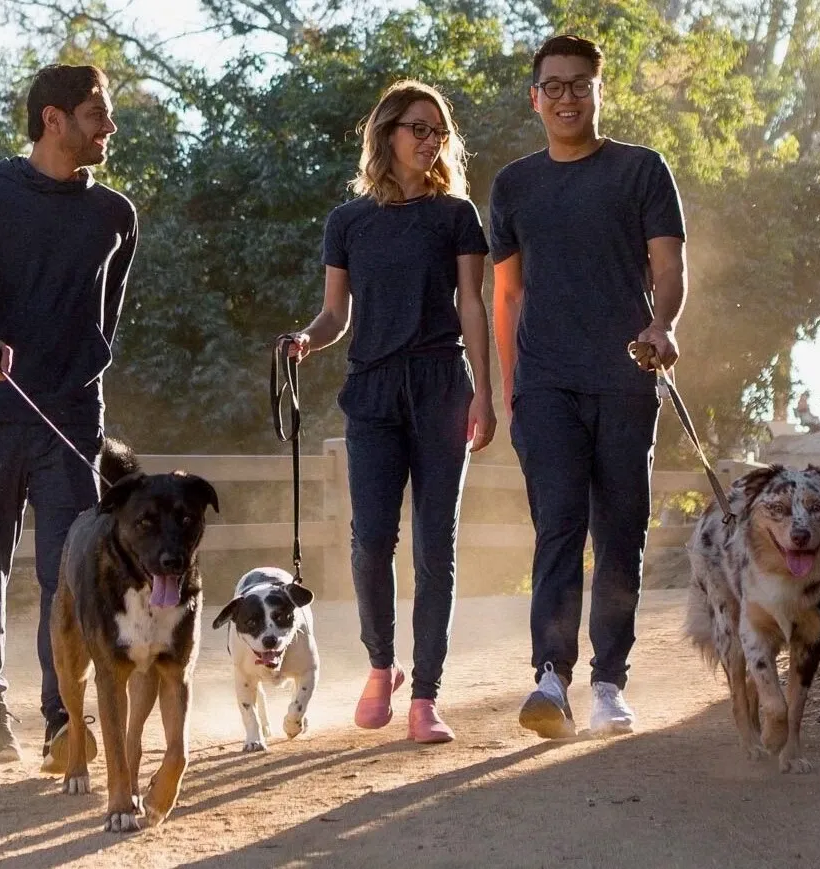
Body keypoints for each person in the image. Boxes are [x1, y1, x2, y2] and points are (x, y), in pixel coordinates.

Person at [0, 64, 138, 765]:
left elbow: (104, 326)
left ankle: (63, 718)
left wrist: (76, 383)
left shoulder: (115, 215)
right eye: (95, 114)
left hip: (72, 421)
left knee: (69, 571)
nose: (108, 126)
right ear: (53, 120)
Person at [287, 80, 495, 744]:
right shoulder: (348, 222)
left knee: (437, 545)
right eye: (418, 128)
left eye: (439, 131)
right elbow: (335, 313)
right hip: (372, 391)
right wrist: (305, 339)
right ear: (388, 135)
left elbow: (472, 305)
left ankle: (427, 696)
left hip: (442, 385)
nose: (430, 140)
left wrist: (485, 394)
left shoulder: (457, 215)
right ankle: (382, 664)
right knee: (371, 540)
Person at [490, 34, 686, 739]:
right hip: (544, 383)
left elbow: (668, 268)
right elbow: (505, 295)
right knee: (560, 522)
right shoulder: (513, 184)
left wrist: (662, 326)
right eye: (554, 85)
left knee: (620, 530)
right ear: (535, 97)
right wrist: (507, 390)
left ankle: (609, 681)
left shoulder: (640, 171)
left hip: (626, 373)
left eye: (581, 85)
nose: (567, 97)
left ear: (600, 92)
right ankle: (551, 675)